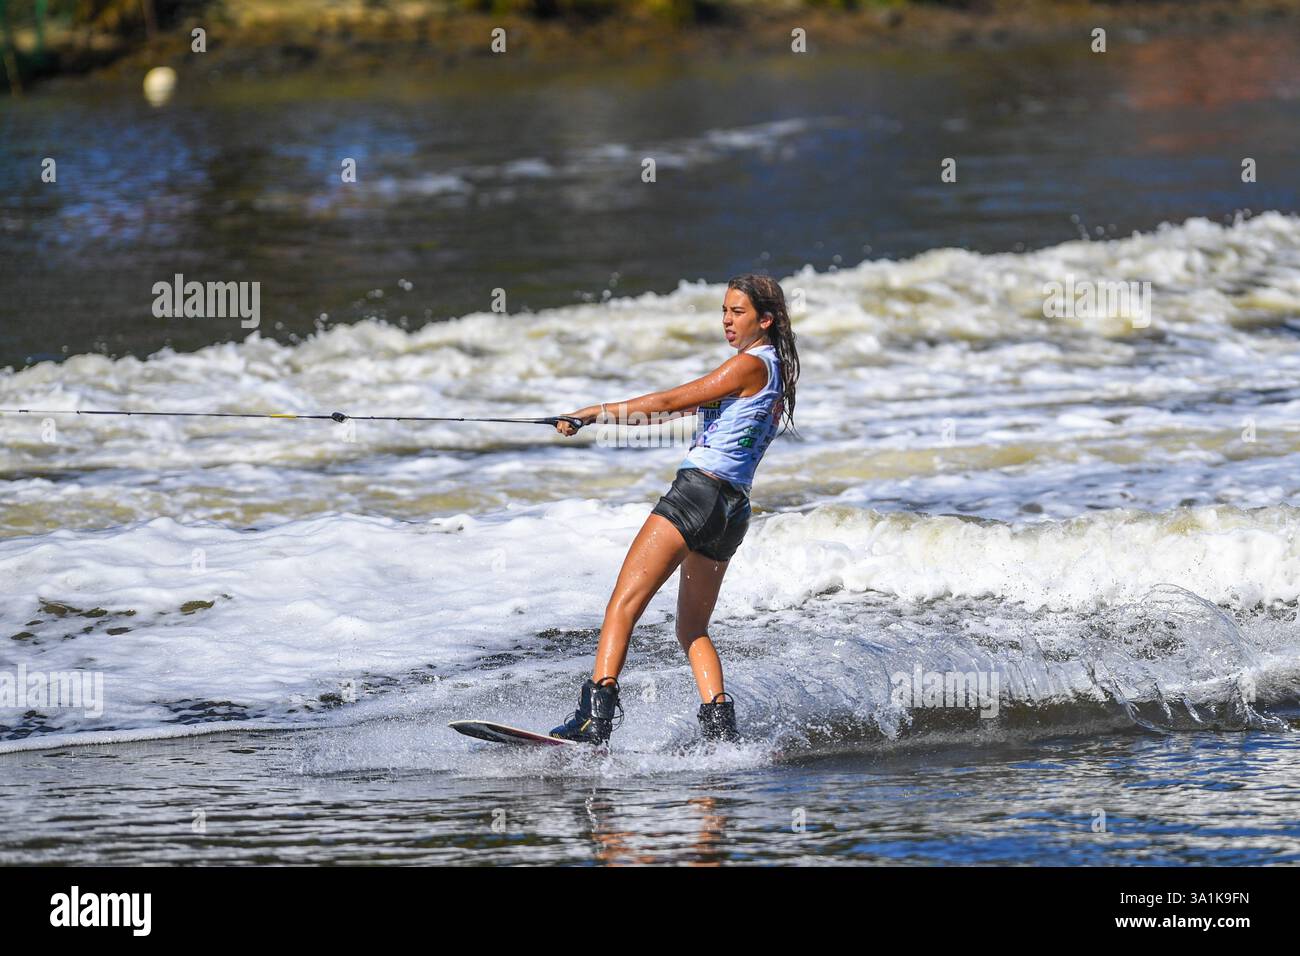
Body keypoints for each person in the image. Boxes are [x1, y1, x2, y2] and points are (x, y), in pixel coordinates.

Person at [549, 273, 800, 745]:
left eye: (738, 312)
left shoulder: (749, 365)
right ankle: (720, 729)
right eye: (724, 311)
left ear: (765, 320)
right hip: (733, 508)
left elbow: (667, 398)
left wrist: (590, 411)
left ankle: (593, 718)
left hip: (697, 495)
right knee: (692, 627)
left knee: (623, 604)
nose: (727, 321)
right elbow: (665, 412)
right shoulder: (776, 372)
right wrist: (600, 422)